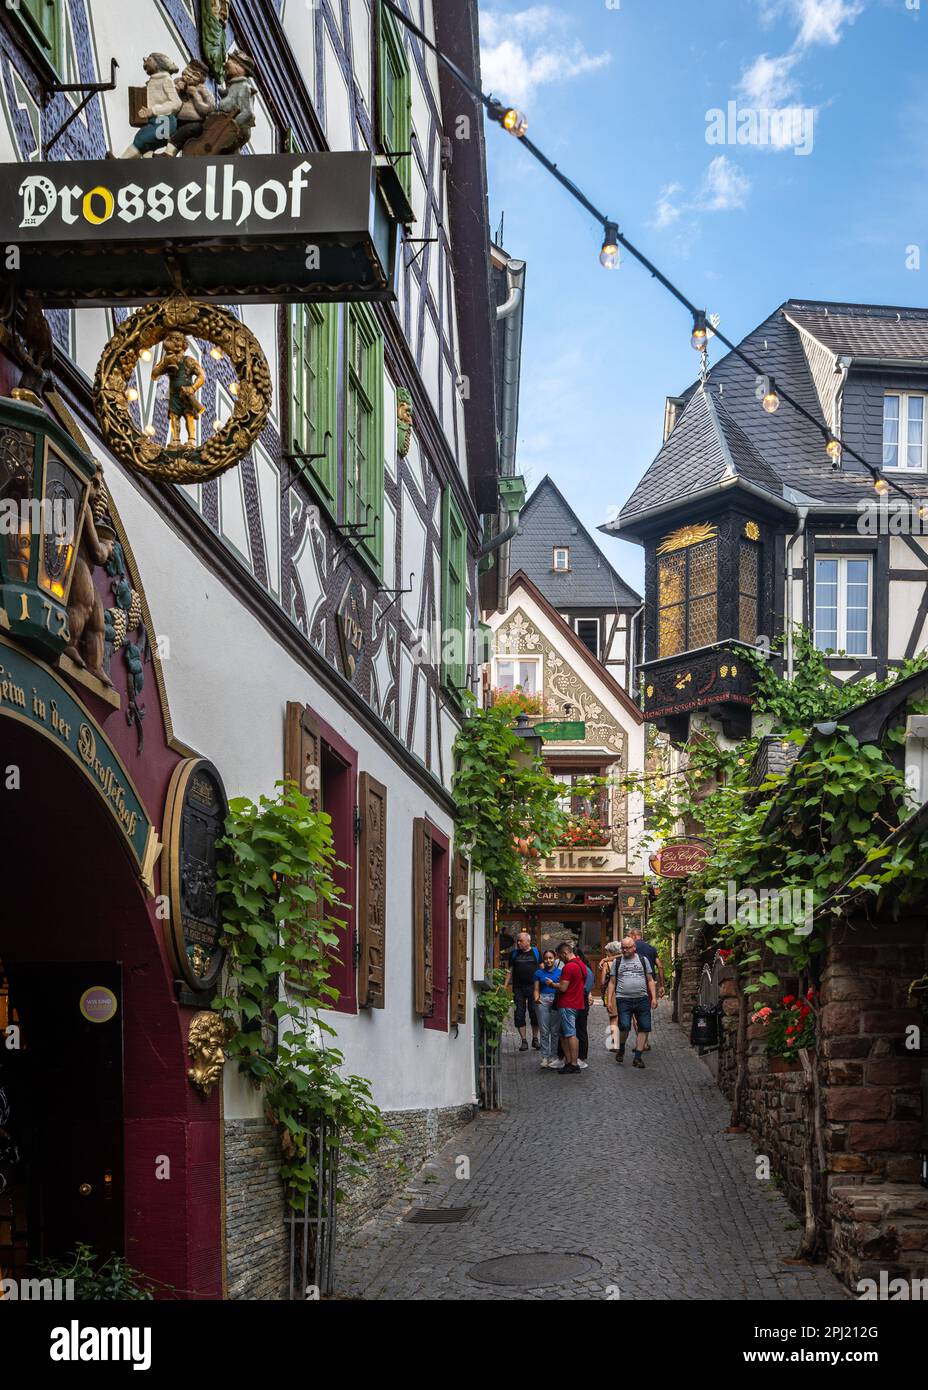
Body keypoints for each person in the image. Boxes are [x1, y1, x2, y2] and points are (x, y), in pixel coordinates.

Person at [608, 935, 657, 1069]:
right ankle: (622, 1048)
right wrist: (609, 1000)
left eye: (628, 948)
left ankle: (638, 1057)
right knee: (624, 1026)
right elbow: (612, 982)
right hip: (623, 999)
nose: (625, 950)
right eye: (623, 948)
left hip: (642, 998)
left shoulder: (643, 960)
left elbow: (650, 979)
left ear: (634, 948)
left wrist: (653, 997)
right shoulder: (617, 962)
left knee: (644, 1027)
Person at [119, 54, 181, 159]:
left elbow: (176, 103)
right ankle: (147, 166)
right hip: (154, 121)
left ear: (158, 63)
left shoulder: (166, 80)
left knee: (141, 138)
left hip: (165, 122)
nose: (146, 62)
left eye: (149, 60)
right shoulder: (153, 81)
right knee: (147, 147)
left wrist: (153, 111)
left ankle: (120, 161)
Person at [551, 940, 587, 1074]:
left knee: (570, 1033)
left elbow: (563, 987)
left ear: (565, 953)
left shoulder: (569, 967)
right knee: (564, 1033)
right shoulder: (581, 964)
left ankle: (573, 1063)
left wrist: (552, 984)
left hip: (567, 1003)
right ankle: (568, 1061)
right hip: (576, 1002)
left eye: (560, 956)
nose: (560, 960)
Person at [628, 926, 665, 1052]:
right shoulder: (651, 948)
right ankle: (645, 1042)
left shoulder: (632, 948)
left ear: (633, 936)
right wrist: (661, 985)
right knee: (645, 1012)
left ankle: (640, 1042)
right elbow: (660, 966)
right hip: (649, 984)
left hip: (634, 982)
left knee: (634, 1013)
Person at [167, 59, 214, 155]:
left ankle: (169, 153)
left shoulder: (201, 89)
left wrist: (195, 96)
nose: (189, 75)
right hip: (175, 119)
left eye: (195, 75)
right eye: (188, 71)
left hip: (192, 123)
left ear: (201, 79)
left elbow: (210, 109)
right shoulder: (177, 81)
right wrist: (176, 90)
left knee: (182, 136)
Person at [504, 931, 540, 1051]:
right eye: (518, 941)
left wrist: (544, 985)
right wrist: (504, 986)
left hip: (533, 987)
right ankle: (524, 1040)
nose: (518, 943)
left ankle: (535, 1039)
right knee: (519, 1013)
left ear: (528, 941)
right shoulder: (514, 954)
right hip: (518, 988)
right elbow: (510, 971)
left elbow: (542, 968)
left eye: (521, 941)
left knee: (534, 1013)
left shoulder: (535, 952)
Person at [532, 949, 562, 1068]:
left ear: (554, 958)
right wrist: (536, 998)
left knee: (555, 1031)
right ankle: (544, 1057)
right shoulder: (538, 973)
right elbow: (536, 989)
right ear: (543, 960)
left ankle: (553, 1056)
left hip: (556, 1000)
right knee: (544, 1030)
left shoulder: (560, 972)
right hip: (542, 1000)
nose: (548, 960)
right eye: (546, 958)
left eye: (550, 958)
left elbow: (562, 987)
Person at [573, 946, 595, 1069]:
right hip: (581, 1001)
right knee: (580, 1029)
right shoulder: (586, 969)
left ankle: (581, 1056)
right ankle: (579, 1055)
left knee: (580, 1029)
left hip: (579, 1001)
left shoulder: (584, 969)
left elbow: (586, 988)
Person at [598, 941, 622, 1050]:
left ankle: (615, 1043)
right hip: (623, 990)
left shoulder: (607, 964)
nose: (606, 954)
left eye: (607, 952)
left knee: (613, 1018)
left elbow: (603, 982)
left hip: (611, 992)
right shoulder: (624, 961)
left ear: (612, 952)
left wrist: (603, 994)